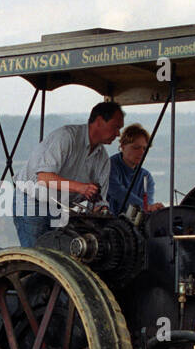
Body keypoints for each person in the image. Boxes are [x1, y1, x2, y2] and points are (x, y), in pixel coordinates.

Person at [12, 100, 124, 247]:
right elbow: (44, 177)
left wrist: (102, 209)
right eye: (115, 127)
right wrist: (81, 188)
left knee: (60, 256)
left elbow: (99, 200)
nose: (118, 134)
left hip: (60, 207)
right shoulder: (67, 137)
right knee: (39, 258)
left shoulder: (102, 158)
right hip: (32, 200)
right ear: (98, 121)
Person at [107, 123, 165, 216]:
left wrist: (151, 209)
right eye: (136, 148)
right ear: (123, 146)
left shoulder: (146, 177)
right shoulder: (108, 167)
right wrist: (146, 207)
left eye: (145, 148)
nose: (142, 152)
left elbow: (147, 207)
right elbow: (118, 192)